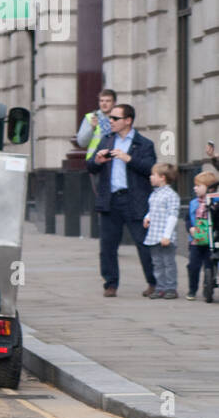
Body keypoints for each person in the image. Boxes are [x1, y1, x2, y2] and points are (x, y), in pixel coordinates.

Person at [88, 103, 157, 297]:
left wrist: (129, 159)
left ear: (128, 120)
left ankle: (153, 282)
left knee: (143, 243)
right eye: (110, 118)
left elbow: (151, 169)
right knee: (108, 246)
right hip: (110, 199)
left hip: (134, 199)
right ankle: (110, 284)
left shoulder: (144, 144)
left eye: (115, 118)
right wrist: (97, 161)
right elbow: (90, 166)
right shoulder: (106, 141)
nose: (111, 121)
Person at [143, 163, 180, 299]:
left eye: (154, 175)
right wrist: (147, 217)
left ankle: (171, 287)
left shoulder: (171, 195)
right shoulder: (154, 194)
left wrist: (167, 235)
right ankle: (160, 287)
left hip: (165, 237)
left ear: (162, 177)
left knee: (168, 263)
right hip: (153, 235)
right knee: (157, 263)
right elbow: (152, 210)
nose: (151, 177)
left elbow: (172, 216)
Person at [185, 170, 216, 300]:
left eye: (198, 185)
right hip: (196, 240)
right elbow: (187, 219)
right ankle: (192, 289)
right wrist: (190, 228)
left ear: (210, 188)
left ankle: (207, 288)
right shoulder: (193, 203)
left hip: (211, 240)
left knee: (210, 265)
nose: (195, 188)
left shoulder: (216, 202)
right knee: (193, 265)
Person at [75, 88, 116, 159]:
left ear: (114, 103)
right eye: (101, 101)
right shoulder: (91, 117)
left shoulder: (119, 118)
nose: (104, 103)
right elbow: (81, 143)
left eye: (108, 101)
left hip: (114, 160)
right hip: (95, 161)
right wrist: (92, 128)